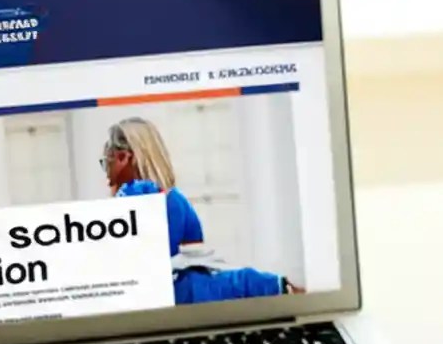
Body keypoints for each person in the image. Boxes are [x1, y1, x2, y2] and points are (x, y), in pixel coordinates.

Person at [100, 117, 305, 304]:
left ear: (124, 158)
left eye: (106, 162)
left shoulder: (145, 198)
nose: (106, 171)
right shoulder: (174, 199)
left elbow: (141, 267)